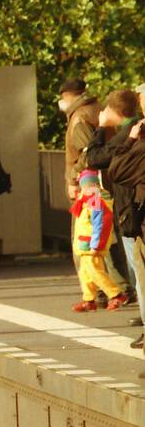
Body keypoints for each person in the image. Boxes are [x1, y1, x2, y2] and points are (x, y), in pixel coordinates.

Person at [86, 89, 145, 341]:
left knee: (139, 270)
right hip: (133, 209)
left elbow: (97, 159)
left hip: (133, 210)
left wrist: (100, 128)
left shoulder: (130, 135)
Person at [70, 170, 129, 312]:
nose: (83, 188)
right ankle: (89, 299)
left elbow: (100, 224)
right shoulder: (86, 199)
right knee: (85, 272)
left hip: (92, 244)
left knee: (95, 271)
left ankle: (116, 294)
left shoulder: (94, 200)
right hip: (84, 242)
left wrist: (96, 244)